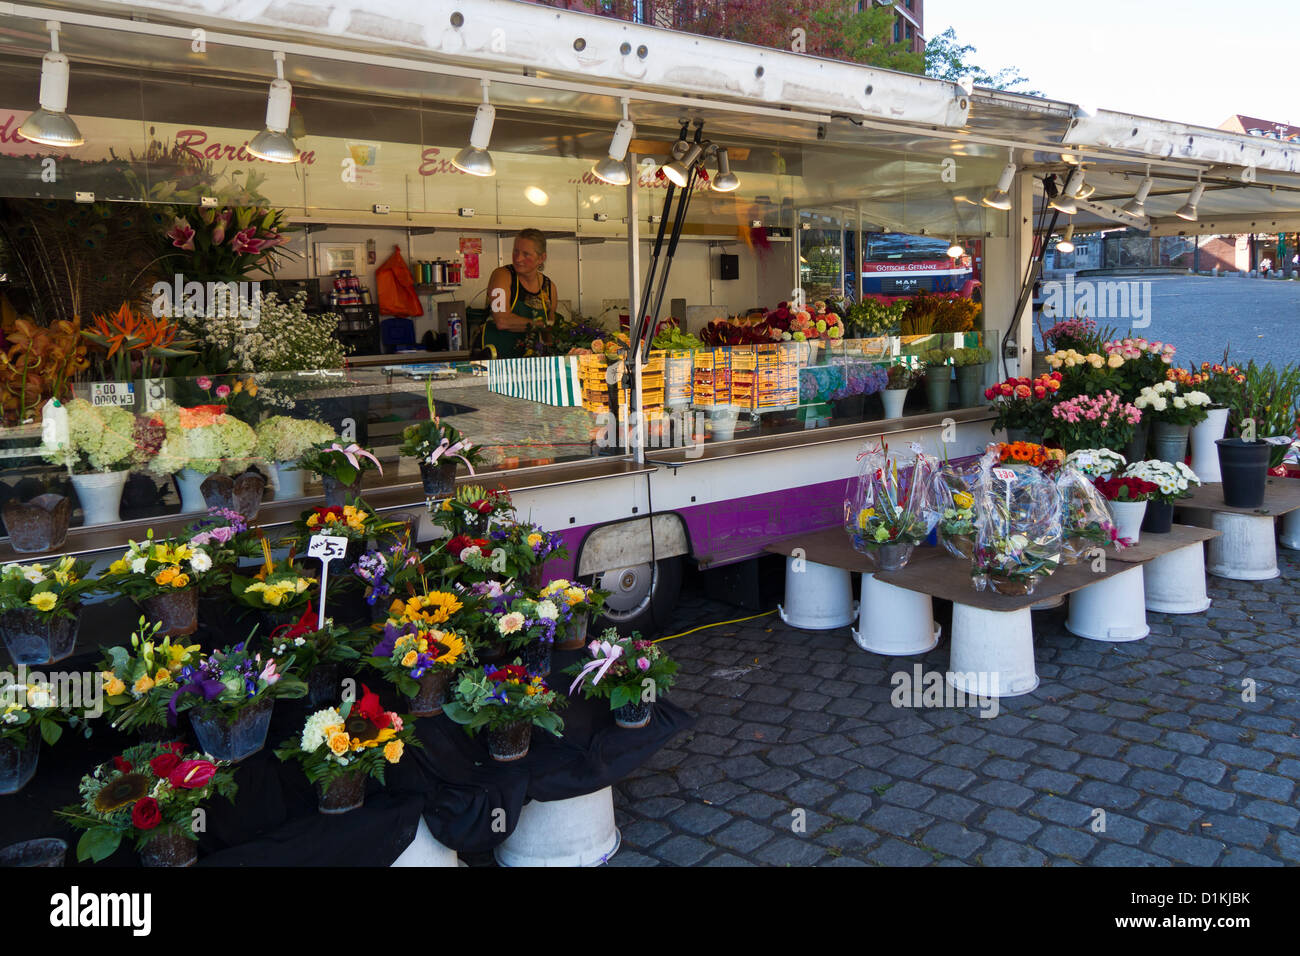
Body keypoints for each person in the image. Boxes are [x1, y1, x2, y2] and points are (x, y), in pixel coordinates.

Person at [483, 229, 557, 358]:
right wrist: (540, 325)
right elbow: (502, 321)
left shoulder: (549, 287)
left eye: (526, 254)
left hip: (531, 364)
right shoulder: (502, 275)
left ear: (541, 258)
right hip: (497, 360)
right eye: (515, 251)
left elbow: (549, 335)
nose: (518, 258)